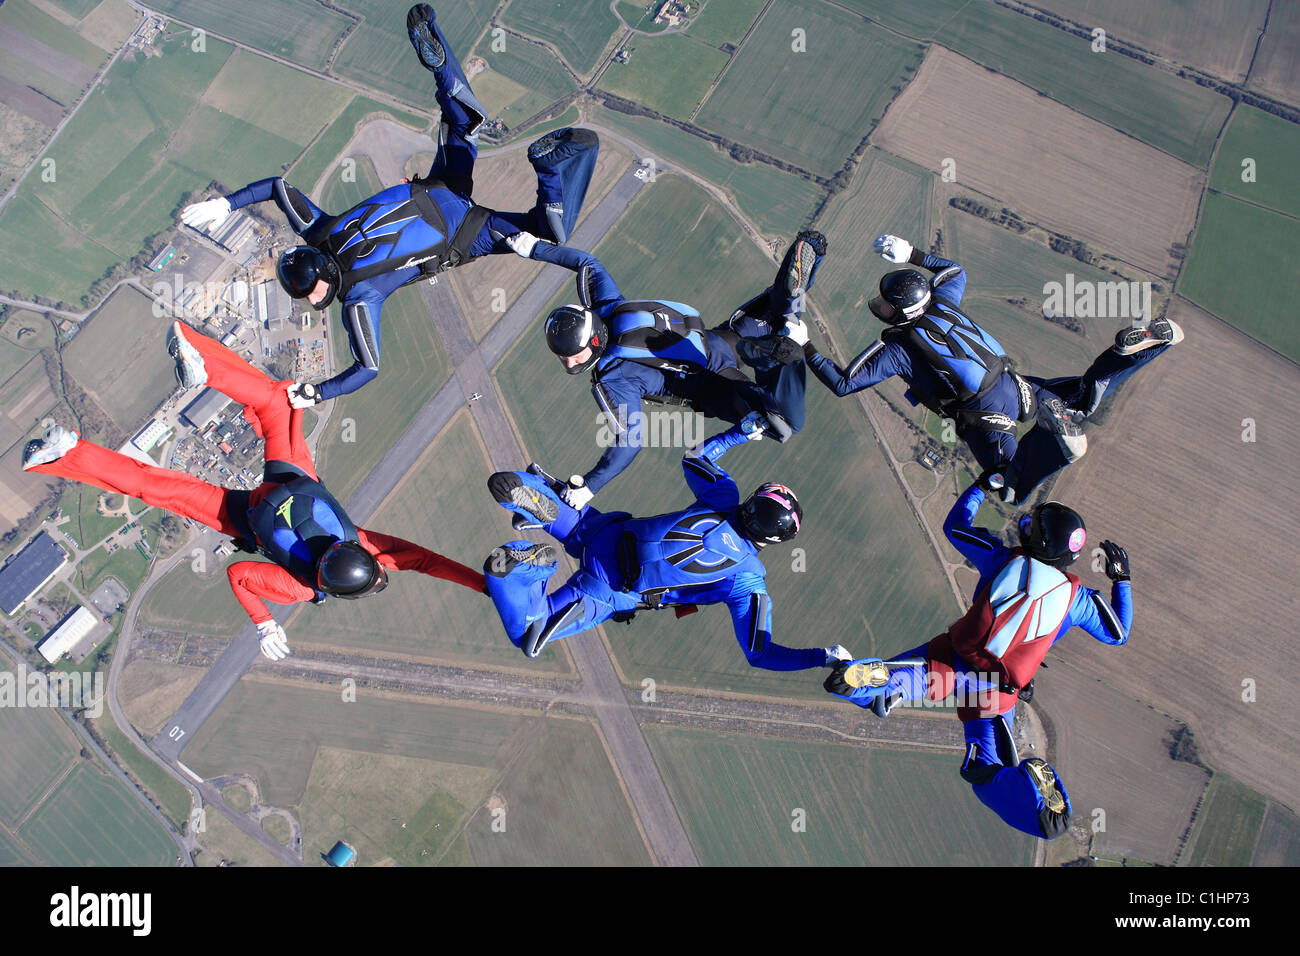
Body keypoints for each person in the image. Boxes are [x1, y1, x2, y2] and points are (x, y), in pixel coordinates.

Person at [179, 4, 599, 405]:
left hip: (463, 233)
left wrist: (317, 393)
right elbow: (277, 186)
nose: (310, 302)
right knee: (462, 122)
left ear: (323, 274)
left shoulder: (360, 298)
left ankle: (546, 168)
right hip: (435, 188)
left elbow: (368, 368)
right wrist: (226, 205)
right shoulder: (317, 231)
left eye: (309, 292)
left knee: (548, 232)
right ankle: (442, 69)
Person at [22, 322, 486, 660]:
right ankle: (63, 451)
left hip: (291, 478)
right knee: (156, 488)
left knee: (272, 399)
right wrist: (262, 621)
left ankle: (201, 362)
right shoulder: (303, 588)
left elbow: (426, 561)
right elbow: (240, 576)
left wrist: (484, 585)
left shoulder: (368, 548)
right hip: (249, 516)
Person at [822, 478, 1133, 839]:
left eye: (1033, 526)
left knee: (907, 678)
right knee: (984, 773)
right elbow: (1118, 633)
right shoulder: (1077, 600)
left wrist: (981, 486)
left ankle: (869, 682)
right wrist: (1120, 578)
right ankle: (1042, 815)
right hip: (994, 694)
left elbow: (954, 526)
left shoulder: (1002, 558)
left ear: (1041, 541)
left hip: (952, 660)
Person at [793, 233, 1182, 502]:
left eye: (886, 306)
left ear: (904, 311)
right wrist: (912, 254)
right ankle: (1141, 350)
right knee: (1082, 396)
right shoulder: (943, 301)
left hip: (985, 415)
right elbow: (954, 271)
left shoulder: (899, 347)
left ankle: (1058, 446)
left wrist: (805, 344)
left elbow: (844, 383)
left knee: (1009, 487)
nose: (880, 308)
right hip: (1015, 386)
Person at [481, 414, 852, 672]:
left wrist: (742, 432)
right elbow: (760, 652)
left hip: (604, 532)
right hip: (607, 590)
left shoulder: (724, 497)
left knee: (570, 521)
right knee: (529, 637)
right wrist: (823, 657)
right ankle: (531, 570)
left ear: (753, 501)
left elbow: (695, 455)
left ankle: (532, 494)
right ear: (773, 540)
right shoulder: (747, 580)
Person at [498, 229, 828, 507]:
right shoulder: (606, 308)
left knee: (785, 426)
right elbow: (587, 263)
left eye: (574, 355)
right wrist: (534, 249)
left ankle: (787, 351)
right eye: (562, 356)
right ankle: (799, 272)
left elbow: (631, 439)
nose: (569, 363)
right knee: (778, 308)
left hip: (716, 386)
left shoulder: (614, 377)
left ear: (595, 342)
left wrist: (590, 487)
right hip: (717, 340)